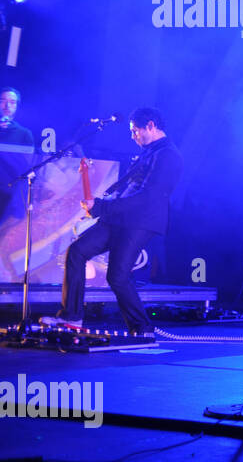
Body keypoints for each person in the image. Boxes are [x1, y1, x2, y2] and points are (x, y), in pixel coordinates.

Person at [42, 108, 182, 336]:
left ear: (151, 126)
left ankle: (143, 328)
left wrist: (103, 207)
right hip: (119, 217)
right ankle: (72, 317)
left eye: (135, 131)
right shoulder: (149, 152)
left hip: (141, 222)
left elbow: (149, 197)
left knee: (117, 275)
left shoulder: (168, 155)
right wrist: (101, 202)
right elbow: (130, 187)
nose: (133, 136)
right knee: (77, 251)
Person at [0, 86, 36, 230]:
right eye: (2, 101)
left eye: (12, 102)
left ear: (17, 106)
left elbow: (27, 167)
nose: (7, 105)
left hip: (7, 192)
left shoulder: (24, 134)